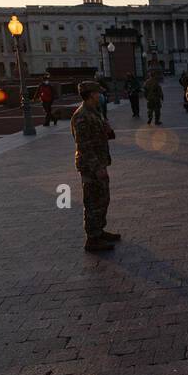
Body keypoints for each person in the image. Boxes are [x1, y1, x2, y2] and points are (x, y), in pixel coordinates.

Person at [71, 81, 119, 253]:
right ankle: (92, 239)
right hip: (91, 166)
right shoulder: (82, 116)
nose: (101, 96)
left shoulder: (94, 111)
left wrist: (108, 131)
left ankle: (99, 231)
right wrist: (97, 167)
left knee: (103, 198)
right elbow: (84, 146)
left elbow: (100, 135)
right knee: (92, 201)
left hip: (100, 162)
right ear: (91, 94)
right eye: (98, 93)